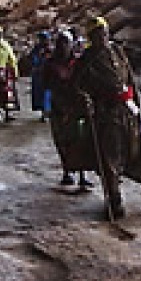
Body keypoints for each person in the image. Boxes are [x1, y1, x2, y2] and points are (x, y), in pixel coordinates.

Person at [74, 16, 141, 220]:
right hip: (106, 113)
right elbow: (76, 86)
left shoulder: (117, 52)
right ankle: (114, 199)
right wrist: (85, 99)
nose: (102, 37)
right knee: (109, 157)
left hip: (126, 109)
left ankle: (117, 186)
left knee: (130, 151)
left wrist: (137, 105)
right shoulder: (87, 59)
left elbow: (129, 78)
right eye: (97, 34)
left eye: (104, 32)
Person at [44, 29, 92, 189]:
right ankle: (67, 172)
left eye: (67, 43)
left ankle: (82, 175)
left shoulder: (78, 63)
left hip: (75, 108)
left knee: (80, 140)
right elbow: (47, 84)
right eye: (61, 43)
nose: (64, 47)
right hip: (59, 107)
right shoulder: (51, 64)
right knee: (63, 141)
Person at [28, 31, 53, 120]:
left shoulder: (50, 50)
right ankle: (44, 112)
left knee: (47, 94)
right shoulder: (36, 49)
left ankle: (47, 112)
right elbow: (32, 59)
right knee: (40, 94)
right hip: (38, 75)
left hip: (47, 74)